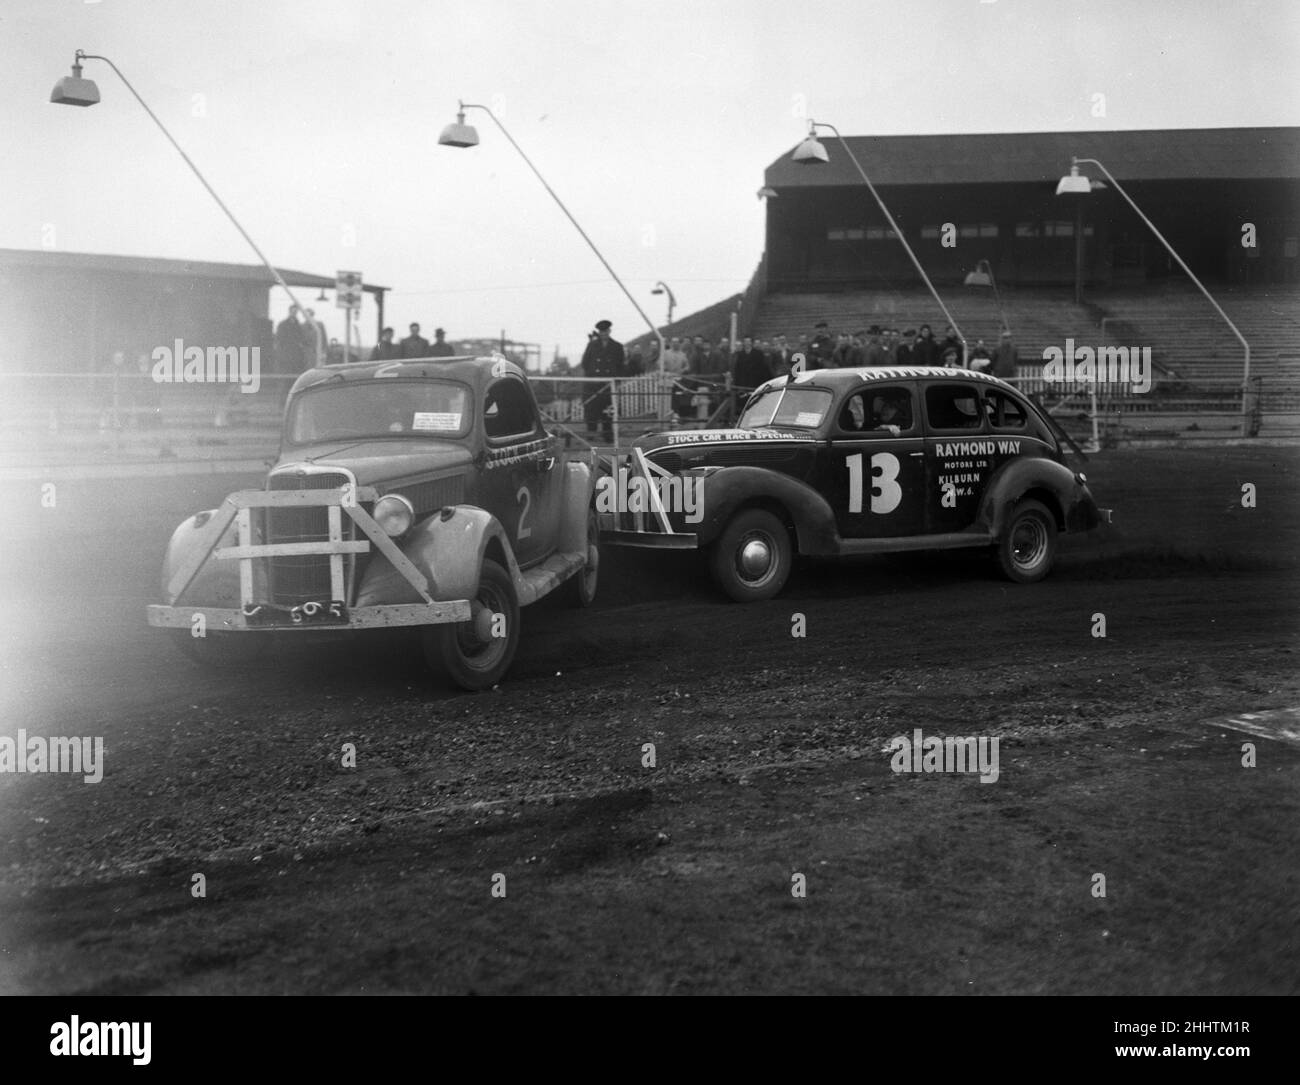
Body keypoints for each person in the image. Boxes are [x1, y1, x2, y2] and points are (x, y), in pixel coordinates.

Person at [579, 319, 626, 442]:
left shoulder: (617, 347)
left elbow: (620, 366)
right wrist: (592, 377)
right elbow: (585, 363)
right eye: (601, 331)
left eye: (605, 331)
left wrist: (615, 380)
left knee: (608, 410)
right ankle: (591, 433)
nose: (603, 333)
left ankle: (607, 434)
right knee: (592, 410)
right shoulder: (592, 345)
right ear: (599, 332)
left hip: (608, 385)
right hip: (593, 384)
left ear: (609, 331)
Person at [274, 305, 307, 373]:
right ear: (289, 312)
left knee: (295, 372)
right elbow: (279, 338)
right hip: (286, 353)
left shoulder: (299, 326)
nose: (294, 313)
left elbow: (302, 338)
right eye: (293, 311)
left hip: (296, 354)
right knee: (286, 372)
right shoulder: (282, 324)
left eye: (295, 312)